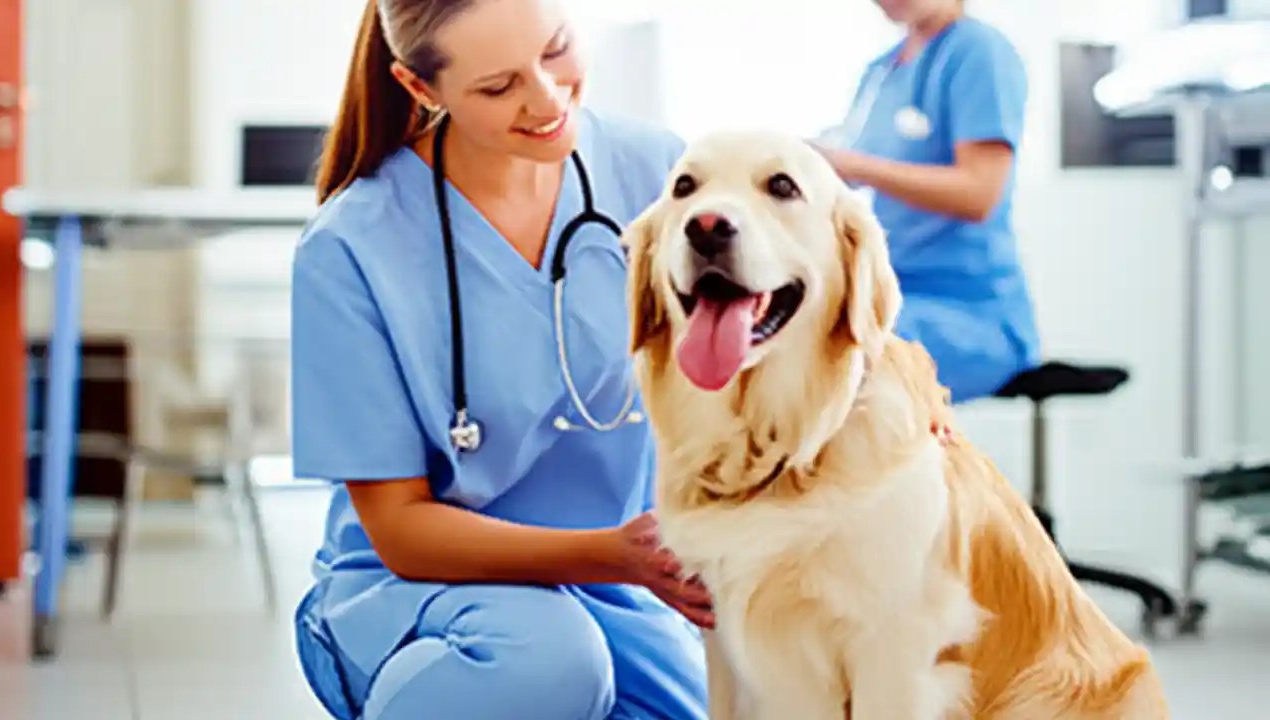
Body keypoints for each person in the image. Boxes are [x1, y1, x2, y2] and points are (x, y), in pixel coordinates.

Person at [288, 1, 711, 718]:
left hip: (615, 587)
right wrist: (614, 554)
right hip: (425, 588)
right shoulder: (351, 247)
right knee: (547, 664)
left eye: (556, 50)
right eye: (498, 86)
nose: (546, 99)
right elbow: (400, 530)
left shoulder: (656, 169)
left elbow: (775, 322)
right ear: (422, 89)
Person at [812, 0, 1041, 403]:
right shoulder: (880, 72)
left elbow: (979, 192)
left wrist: (853, 165)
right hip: (891, 290)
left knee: (847, 343)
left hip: (973, 317)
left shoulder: (978, 52)